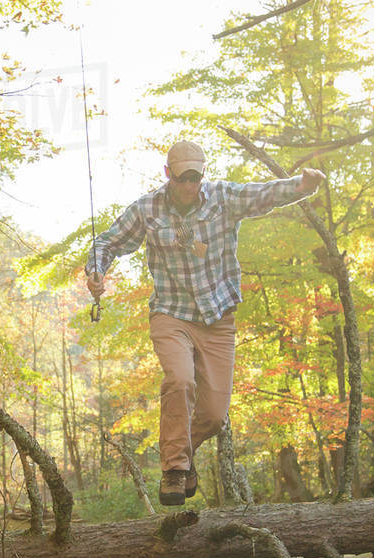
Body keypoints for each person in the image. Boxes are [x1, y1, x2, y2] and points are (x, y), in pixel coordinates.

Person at [85, 139, 325, 505]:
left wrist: (302, 186)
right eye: (182, 178)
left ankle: (181, 456)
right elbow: (107, 243)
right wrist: (96, 271)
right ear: (168, 175)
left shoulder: (223, 198)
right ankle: (174, 468)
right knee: (179, 380)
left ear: (203, 174)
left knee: (213, 416)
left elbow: (263, 195)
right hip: (171, 313)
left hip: (218, 316)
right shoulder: (147, 209)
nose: (189, 186)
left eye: (195, 178)